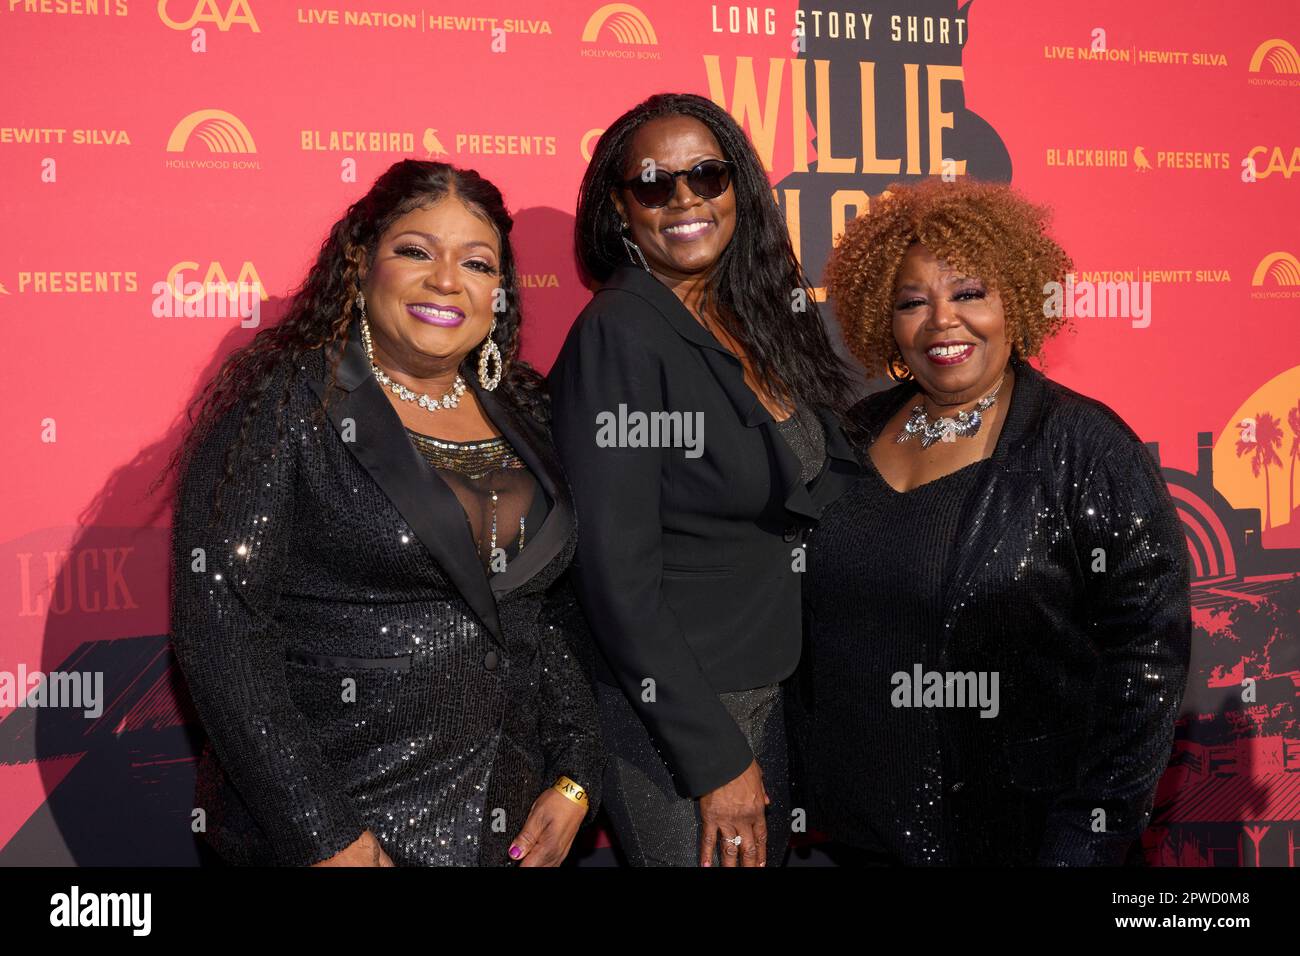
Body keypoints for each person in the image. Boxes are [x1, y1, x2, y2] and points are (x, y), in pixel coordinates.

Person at [165, 160, 602, 866]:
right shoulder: (288, 407)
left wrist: (577, 775)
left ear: (500, 293)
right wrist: (321, 830)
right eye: (416, 251)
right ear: (362, 263)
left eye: (478, 262)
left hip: (506, 824)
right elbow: (221, 631)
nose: (447, 280)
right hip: (344, 822)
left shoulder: (526, 412)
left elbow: (538, 617)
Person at [791, 176, 1192, 866]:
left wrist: (1089, 835)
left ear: (1015, 299)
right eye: (912, 302)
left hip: (1018, 839)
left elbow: (1146, 656)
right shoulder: (850, 435)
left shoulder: (1082, 447)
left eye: (969, 293)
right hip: (850, 838)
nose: (942, 321)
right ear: (882, 321)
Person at [549, 92, 861, 867]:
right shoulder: (619, 332)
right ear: (622, 210)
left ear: (738, 189)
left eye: (707, 177)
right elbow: (616, 578)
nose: (685, 199)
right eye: (655, 185)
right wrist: (715, 760)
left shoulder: (753, 317)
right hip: (681, 716)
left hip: (770, 689)